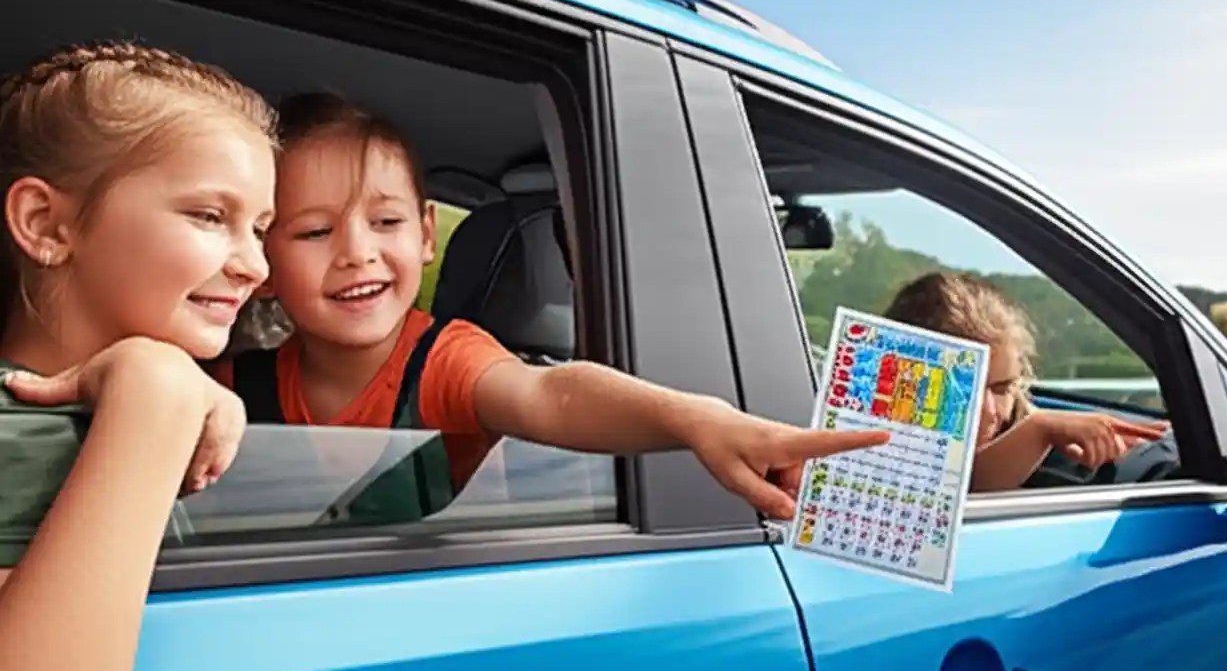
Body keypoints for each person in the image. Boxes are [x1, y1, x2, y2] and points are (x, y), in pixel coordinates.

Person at [217, 91, 890, 522]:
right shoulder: (228, 384)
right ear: (260, 257)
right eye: (315, 232)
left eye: (385, 222)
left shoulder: (444, 361)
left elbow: (551, 395)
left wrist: (695, 420)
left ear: (425, 235)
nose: (357, 253)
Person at [0, 41, 277, 671]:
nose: (257, 266)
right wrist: (156, 390)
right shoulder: (19, 433)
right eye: (210, 216)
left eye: (259, 229)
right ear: (45, 224)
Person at [883, 272, 1167, 492]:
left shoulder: (1059, 458)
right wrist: (1038, 432)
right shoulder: (869, 448)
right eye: (963, 388)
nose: (989, 411)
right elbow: (945, 494)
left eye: (1002, 388)